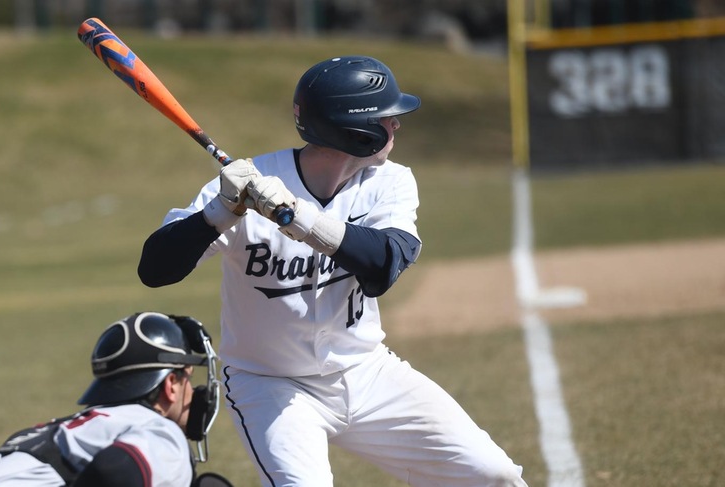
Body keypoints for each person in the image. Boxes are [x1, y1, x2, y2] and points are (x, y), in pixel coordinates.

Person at [138, 56, 528, 486]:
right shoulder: (240, 187)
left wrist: (297, 216)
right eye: (386, 117)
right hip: (270, 386)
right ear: (354, 130)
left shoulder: (390, 182)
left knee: (495, 475)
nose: (396, 125)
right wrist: (218, 213)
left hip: (367, 372)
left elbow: (383, 265)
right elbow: (155, 269)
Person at [0, 312, 232, 487]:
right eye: (188, 380)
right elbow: (114, 470)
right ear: (170, 385)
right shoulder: (159, 430)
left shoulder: (64, 430)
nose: (194, 394)